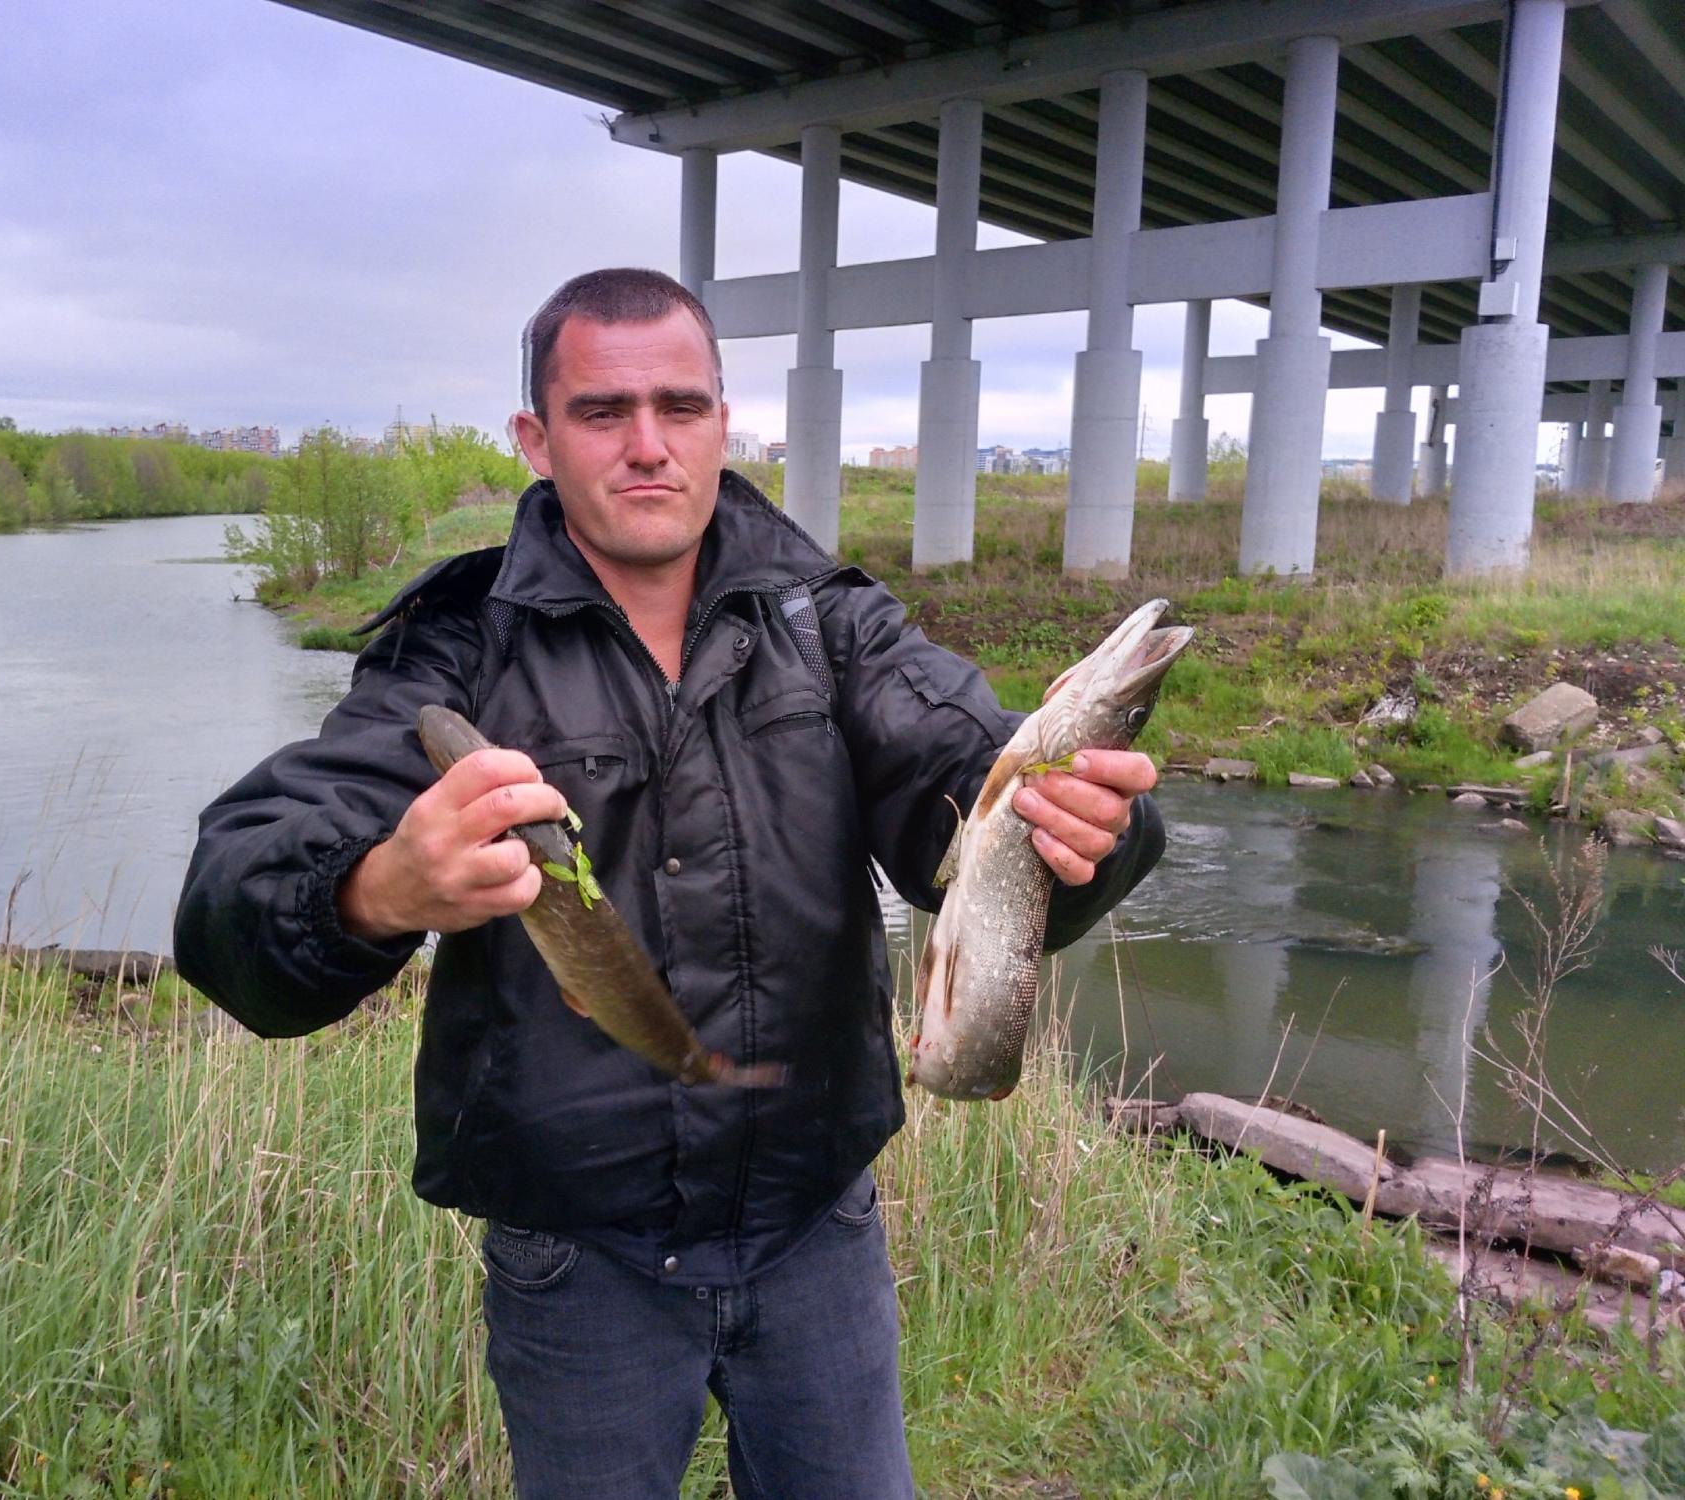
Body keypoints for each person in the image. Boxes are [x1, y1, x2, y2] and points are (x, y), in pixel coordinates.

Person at [174, 268, 1165, 1499]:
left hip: (819, 1232)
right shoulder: (457, 649)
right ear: (534, 440)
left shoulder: (831, 626)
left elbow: (958, 800)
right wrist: (378, 887)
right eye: (602, 412)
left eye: (679, 407)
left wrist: (1084, 832)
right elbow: (236, 888)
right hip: (577, 1263)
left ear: (721, 423)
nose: (648, 446)